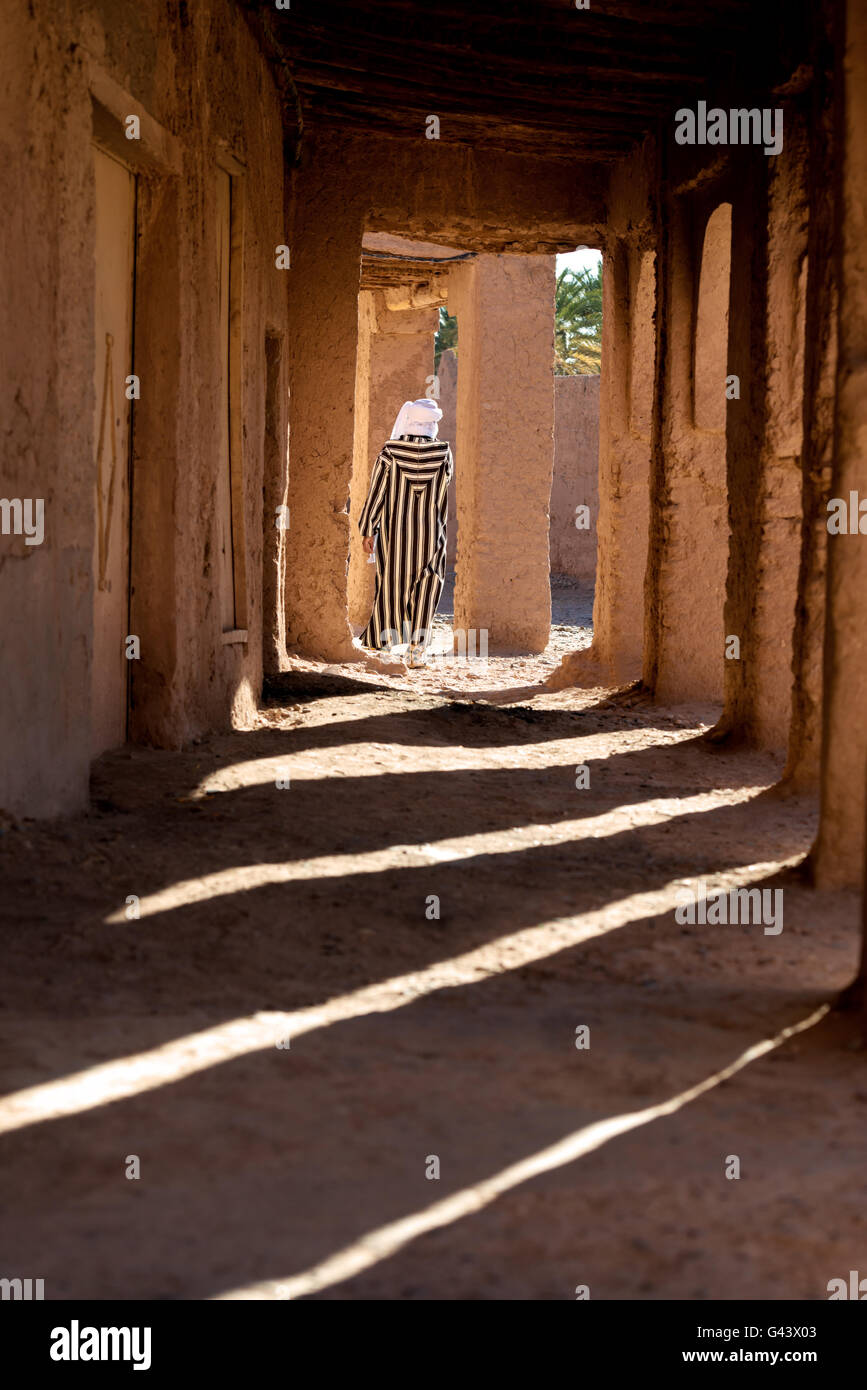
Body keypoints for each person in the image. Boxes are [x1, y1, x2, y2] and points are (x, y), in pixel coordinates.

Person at [358, 398, 453, 668]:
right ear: (431, 424)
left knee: (391, 584)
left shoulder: (390, 452)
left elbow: (376, 492)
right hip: (431, 534)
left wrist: (368, 529)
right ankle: (416, 651)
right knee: (428, 584)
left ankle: (384, 646)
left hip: (394, 534)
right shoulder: (444, 452)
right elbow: (445, 485)